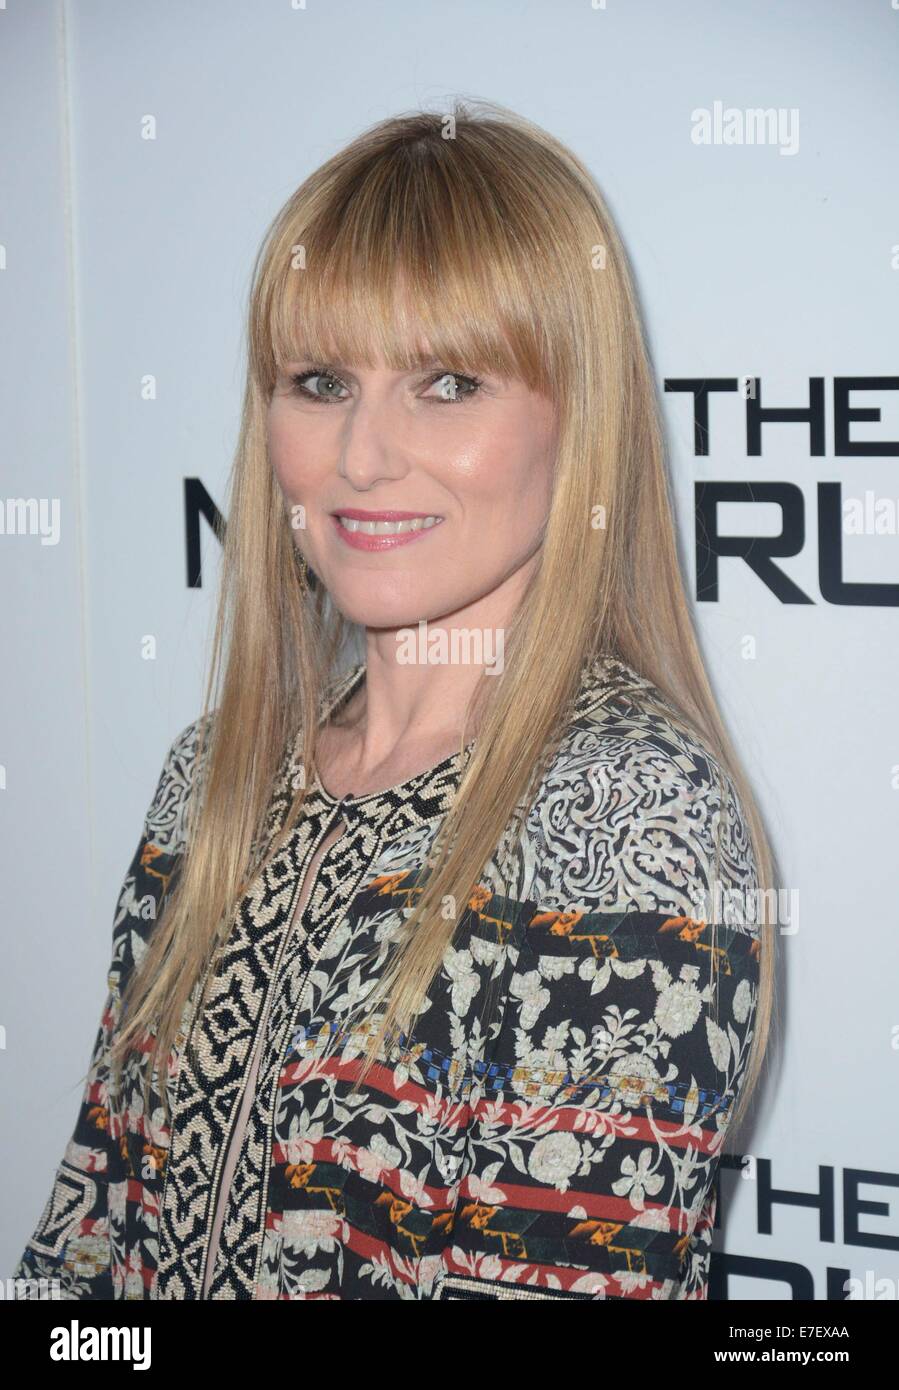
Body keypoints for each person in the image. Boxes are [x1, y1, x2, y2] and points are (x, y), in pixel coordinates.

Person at [13, 99, 777, 1302]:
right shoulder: (213, 777)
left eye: (447, 382)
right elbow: (84, 1242)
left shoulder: (625, 820)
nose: (361, 454)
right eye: (319, 380)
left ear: (578, 419)